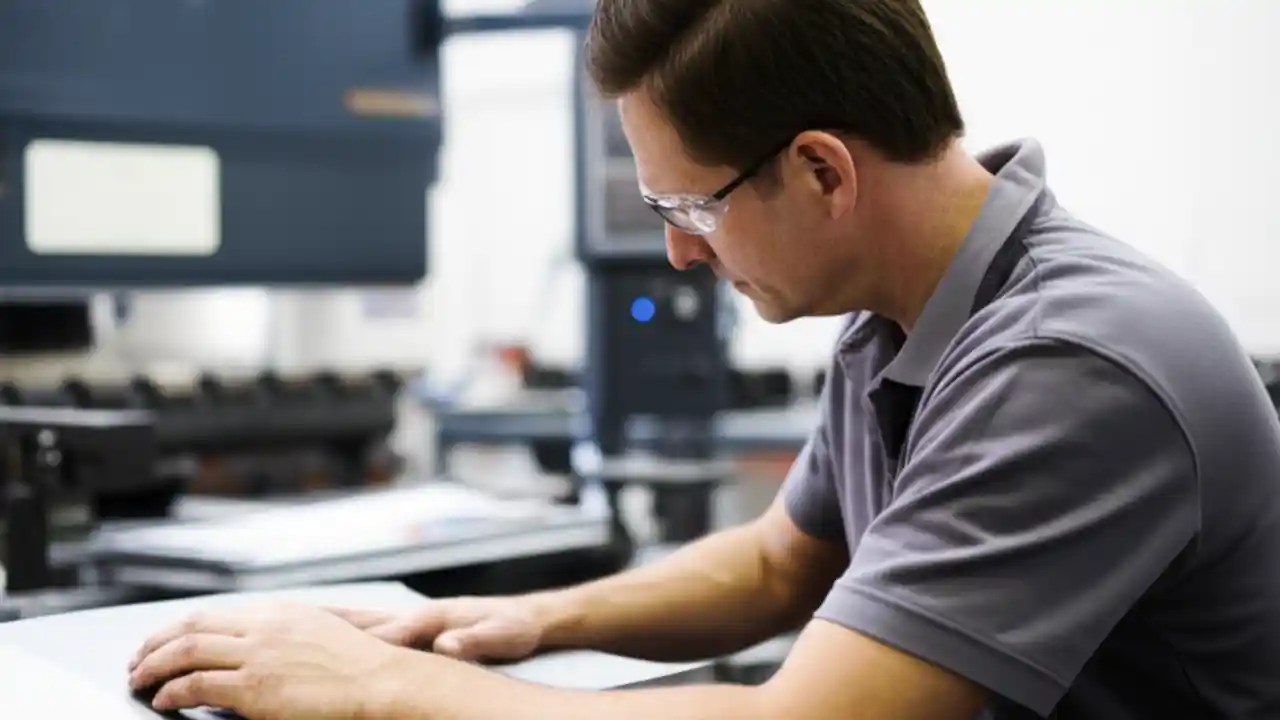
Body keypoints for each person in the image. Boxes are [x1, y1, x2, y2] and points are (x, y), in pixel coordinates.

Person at [126, 1, 1280, 717]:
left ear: (822, 171)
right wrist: (530, 618)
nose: (679, 251)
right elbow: (785, 562)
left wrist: (377, 690)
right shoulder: (897, 314)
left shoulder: (1063, 366)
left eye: (692, 203)